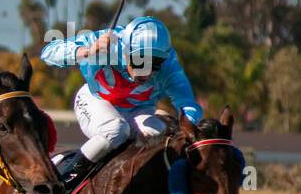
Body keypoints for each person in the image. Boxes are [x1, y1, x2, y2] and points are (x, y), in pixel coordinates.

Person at [40, 15, 201, 179]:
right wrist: (87, 52)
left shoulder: (170, 66)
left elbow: (188, 104)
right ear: (125, 52)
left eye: (156, 63)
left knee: (158, 134)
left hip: (137, 111)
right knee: (116, 130)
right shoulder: (109, 41)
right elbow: (48, 52)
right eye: (139, 61)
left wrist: (188, 127)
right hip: (95, 100)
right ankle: (66, 180)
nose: (146, 71)